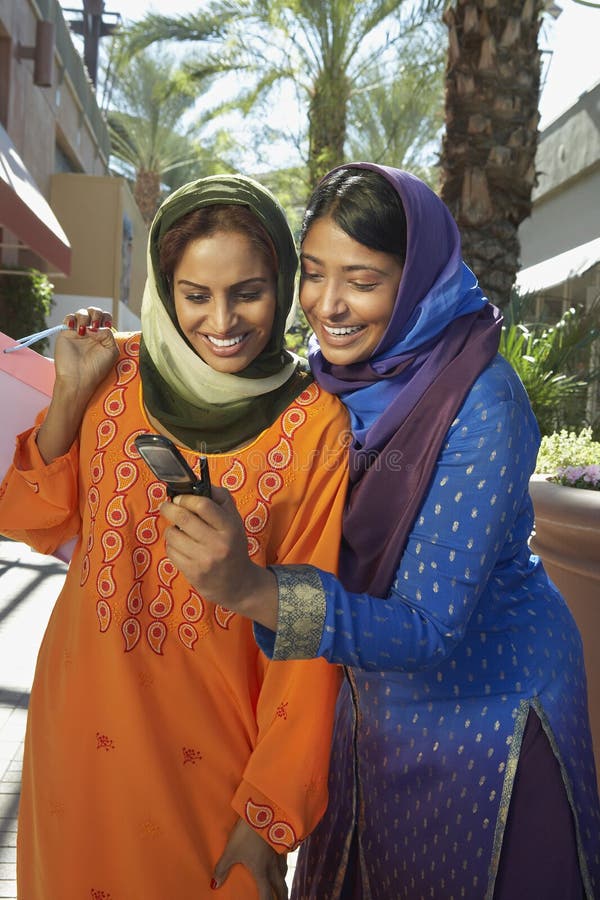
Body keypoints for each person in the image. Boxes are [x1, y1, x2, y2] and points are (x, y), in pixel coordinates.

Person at [165, 164, 600, 899]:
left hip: (488, 717)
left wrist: (252, 590)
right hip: (370, 715)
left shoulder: (480, 402)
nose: (328, 306)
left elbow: (428, 627)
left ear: (417, 281)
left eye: (362, 281)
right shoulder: (331, 379)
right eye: (312, 274)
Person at [0, 174, 351, 899]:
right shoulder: (111, 371)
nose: (222, 320)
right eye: (196, 296)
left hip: (214, 755)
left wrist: (268, 814)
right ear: (167, 287)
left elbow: (312, 628)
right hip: (79, 732)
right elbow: (26, 521)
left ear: (281, 285)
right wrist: (69, 397)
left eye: (247, 292)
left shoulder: (317, 425)